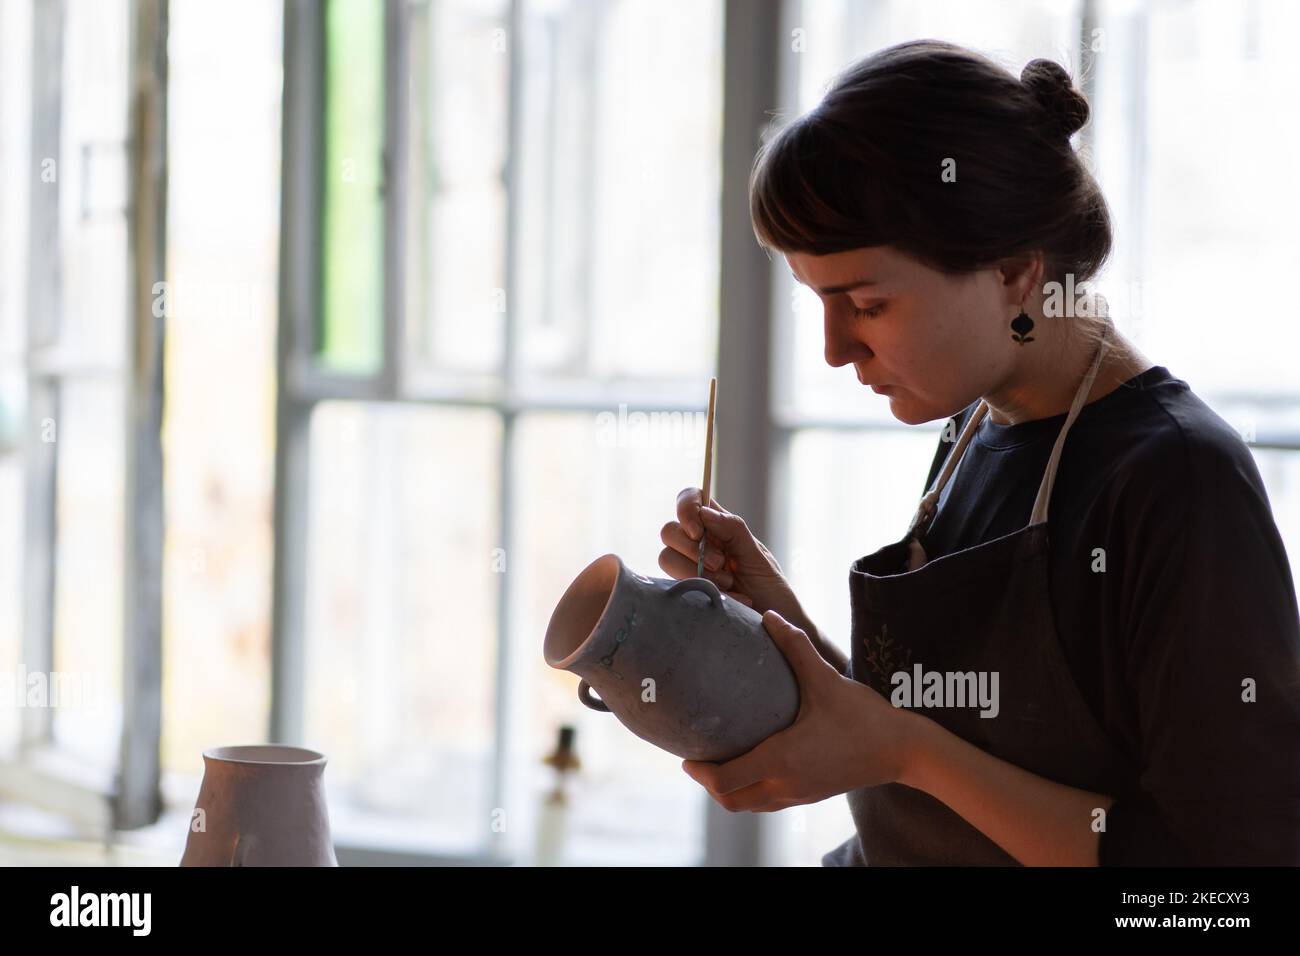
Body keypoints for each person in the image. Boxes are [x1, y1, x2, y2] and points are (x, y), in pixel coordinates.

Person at [657, 39, 1300, 865]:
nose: (833, 350)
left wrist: (902, 750)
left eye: (868, 304)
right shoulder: (976, 430)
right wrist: (786, 628)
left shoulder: (1177, 479)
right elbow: (955, 738)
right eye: (817, 301)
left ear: (1016, 274)